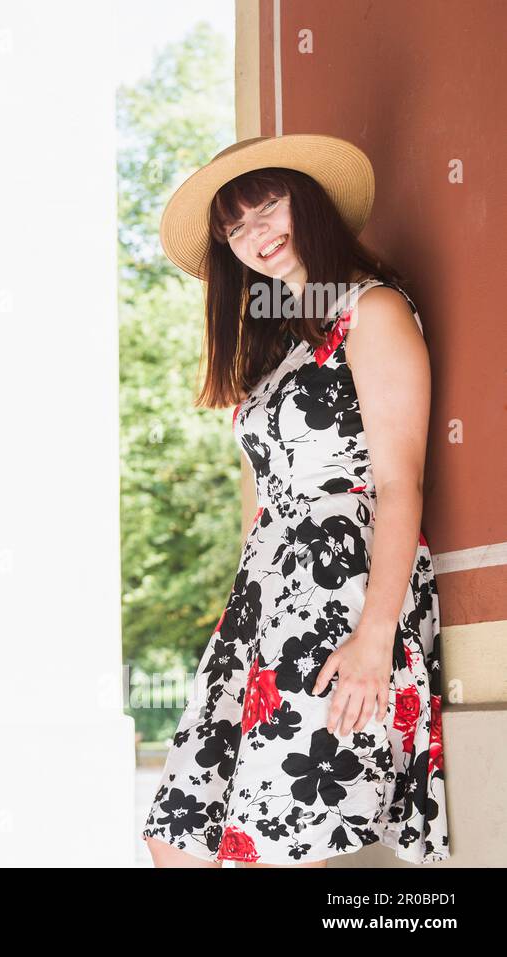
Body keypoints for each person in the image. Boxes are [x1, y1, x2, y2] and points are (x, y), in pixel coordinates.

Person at [141, 134, 448, 867]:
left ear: (306, 202)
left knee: (270, 840)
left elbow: (401, 485)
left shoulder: (372, 311)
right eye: (236, 227)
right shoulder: (276, 342)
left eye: (267, 207)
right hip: (264, 594)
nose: (256, 235)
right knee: (176, 833)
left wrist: (375, 639)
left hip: (345, 590)